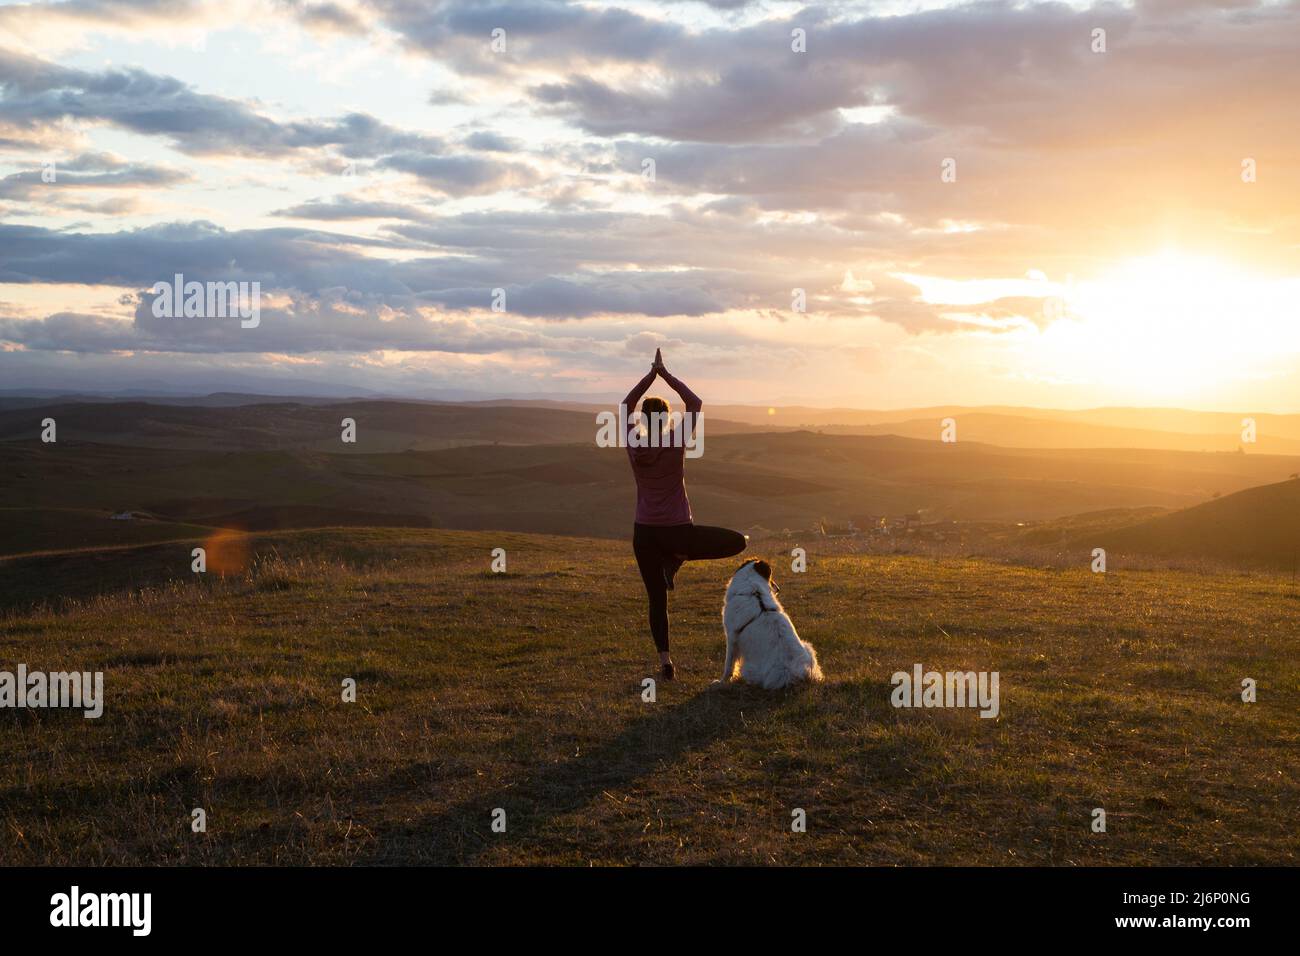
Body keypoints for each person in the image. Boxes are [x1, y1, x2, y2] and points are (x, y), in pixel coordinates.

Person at [623, 349, 747, 681]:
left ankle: (665, 661)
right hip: (677, 529)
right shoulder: (675, 439)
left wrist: (649, 375)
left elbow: (626, 406)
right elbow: (695, 403)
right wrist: (665, 374)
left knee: (656, 600)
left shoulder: (634, 442)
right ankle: (677, 557)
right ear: (665, 419)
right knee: (738, 542)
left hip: (644, 533)